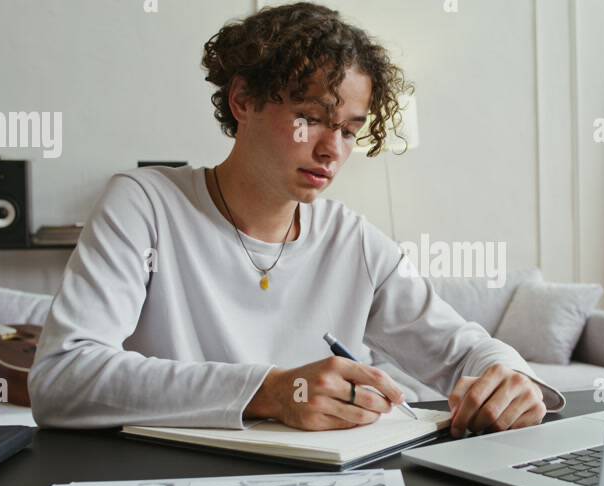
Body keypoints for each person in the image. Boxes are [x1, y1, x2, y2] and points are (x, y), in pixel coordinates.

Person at [30, 2, 564, 439]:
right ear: (243, 99)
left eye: (351, 130)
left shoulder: (353, 241)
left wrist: (512, 378)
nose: (332, 151)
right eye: (310, 118)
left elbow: (463, 349)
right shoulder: (143, 203)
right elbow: (61, 378)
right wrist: (271, 391)